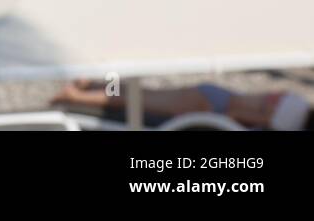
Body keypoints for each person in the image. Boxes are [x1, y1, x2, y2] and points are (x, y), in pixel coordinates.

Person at [52, 80, 311, 130]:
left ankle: (90, 85)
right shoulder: (291, 120)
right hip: (207, 106)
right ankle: (74, 96)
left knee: (142, 94)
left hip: (214, 95)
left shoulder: (299, 104)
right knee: (137, 100)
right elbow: (234, 116)